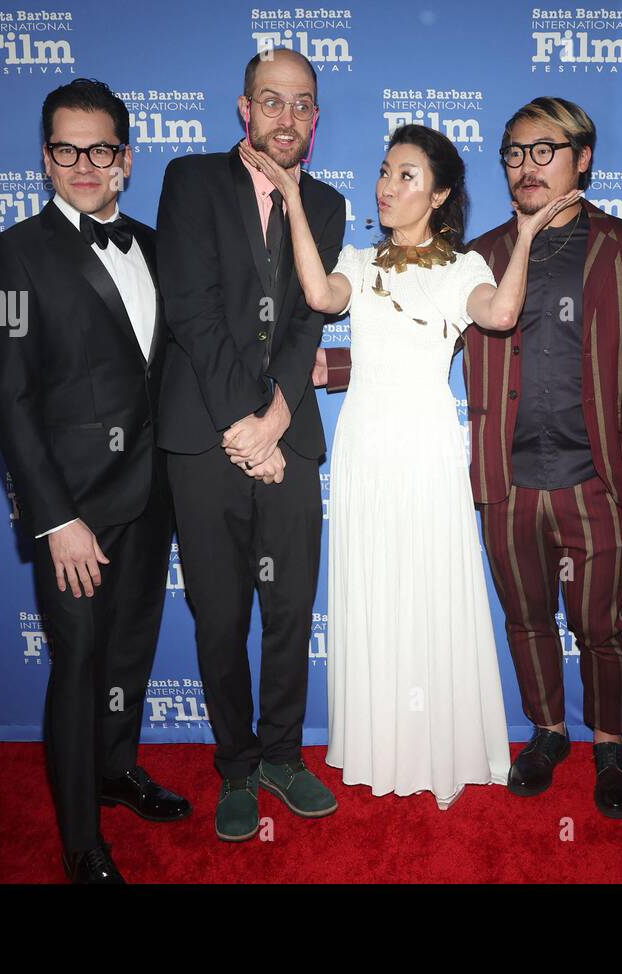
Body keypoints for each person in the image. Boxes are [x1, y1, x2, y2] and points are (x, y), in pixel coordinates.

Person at [320, 98, 622, 819]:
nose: (527, 166)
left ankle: (613, 742)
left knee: (604, 624)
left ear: (582, 159)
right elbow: (420, 331)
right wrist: (329, 371)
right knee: (525, 617)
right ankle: (548, 732)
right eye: (515, 153)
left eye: (545, 151)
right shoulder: (486, 252)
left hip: (593, 474)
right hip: (502, 473)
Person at [244, 122, 578, 808]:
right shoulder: (360, 263)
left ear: (440, 194)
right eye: (385, 171)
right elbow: (318, 296)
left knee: (429, 590)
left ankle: (437, 746)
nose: (388, 186)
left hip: (427, 449)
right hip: (365, 449)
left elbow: (504, 314)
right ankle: (377, 745)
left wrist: (525, 236)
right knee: (374, 589)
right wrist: (293, 197)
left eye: (407, 176)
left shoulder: (465, 269)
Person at [0, 78, 190, 884]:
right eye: (66, 150)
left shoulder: (160, 246)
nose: (84, 165)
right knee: (79, 661)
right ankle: (79, 841)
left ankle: (115, 769)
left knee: (130, 650)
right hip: (74, 514)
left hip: (152, 496)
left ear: (126, 159)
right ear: (45, 158)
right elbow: (7, 401)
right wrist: (54, 518)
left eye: (101, 149)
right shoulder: (4, 256)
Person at [153, 49, 345, 842]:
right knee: (220, 613)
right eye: (272, 101)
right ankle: (234, 765)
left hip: (287, 441)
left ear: (316, 118)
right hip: (206, 440)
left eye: (302, 104)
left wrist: (274, 424)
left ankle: (281, 755)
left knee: (291, 610)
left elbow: (310, 323)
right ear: (244, 109)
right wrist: (245, 425)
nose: (286, 118)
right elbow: (192, 313)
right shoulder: (192, 181)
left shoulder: (327, 205)